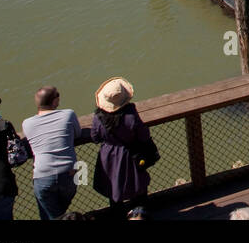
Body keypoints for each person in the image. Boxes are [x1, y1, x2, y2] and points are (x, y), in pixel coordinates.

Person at [91, 77, 153, 212]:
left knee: (113, 189)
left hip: (108, 157)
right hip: (131, 155)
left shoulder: (98, 117)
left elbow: (95, 137)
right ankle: (139, 215)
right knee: (138, 190)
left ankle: (118, 215)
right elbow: (144, 135)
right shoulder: (130, 114)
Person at [21, 85, 82, 220]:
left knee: (50, 214)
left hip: (43, 176)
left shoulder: (27, 123)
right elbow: (77, 134)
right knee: (59, 213)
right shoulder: (68, 114)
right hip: (68, 172)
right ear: (54, 101)